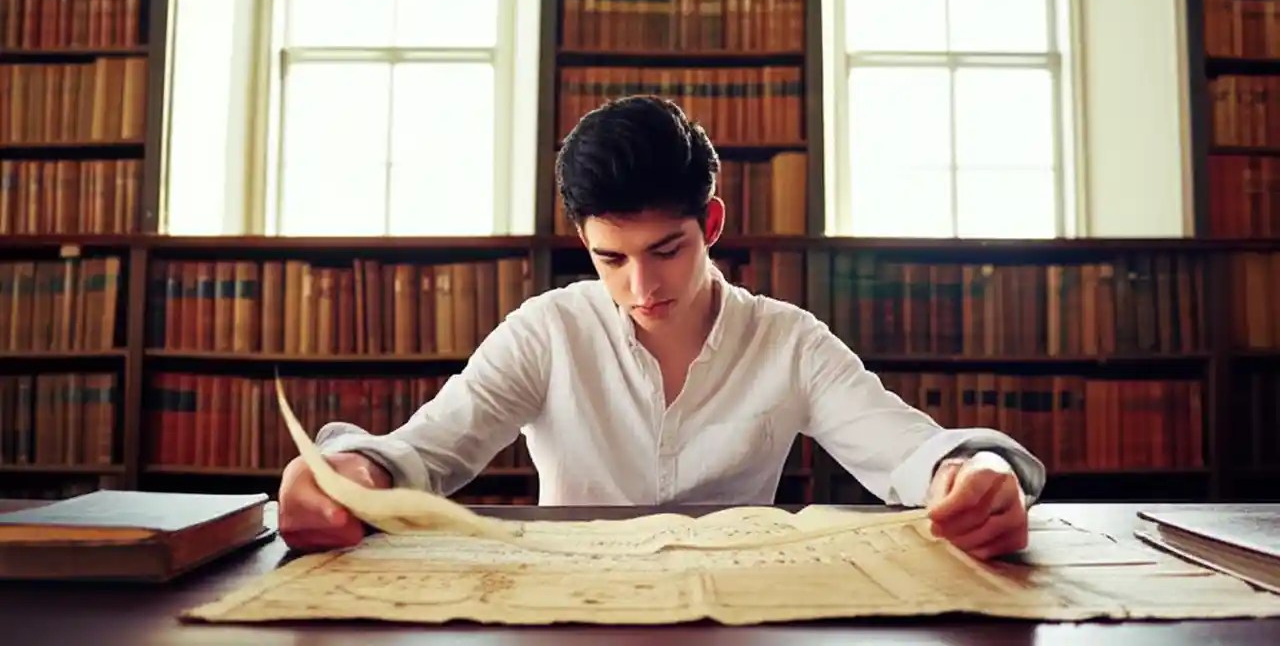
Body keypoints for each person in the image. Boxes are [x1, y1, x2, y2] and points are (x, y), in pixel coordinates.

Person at [278, 95, 1046, 559]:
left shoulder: (789, 340)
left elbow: (909, 450)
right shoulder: (547, 331)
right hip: (574, 623)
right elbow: (426, 449)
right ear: (583, 240)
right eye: (610, 257)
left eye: (667, 250)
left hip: (733, 619)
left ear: (710, 222)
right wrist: (356, 475)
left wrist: (969, 479)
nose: (640, 287)